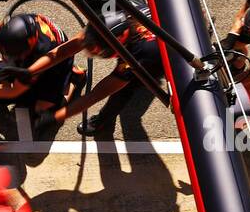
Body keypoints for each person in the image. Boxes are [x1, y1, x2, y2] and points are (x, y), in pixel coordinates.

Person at [19, 7, 163, 136]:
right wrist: (29, 71)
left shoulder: (138, 55)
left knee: (125, 90)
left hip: (160, 58)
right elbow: (64, 51)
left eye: (97, 51)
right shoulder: (105, 23)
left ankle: (102, 121)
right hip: (154, 27)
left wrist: (56, 117)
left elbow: (96, 95)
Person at [0, 12, 84, 114]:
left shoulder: (40, 55)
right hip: (40, 49)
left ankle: (74, 78)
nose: (6, 59)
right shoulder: (10, 26)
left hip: (58, 64)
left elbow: (14, 91)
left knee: (40, 108)